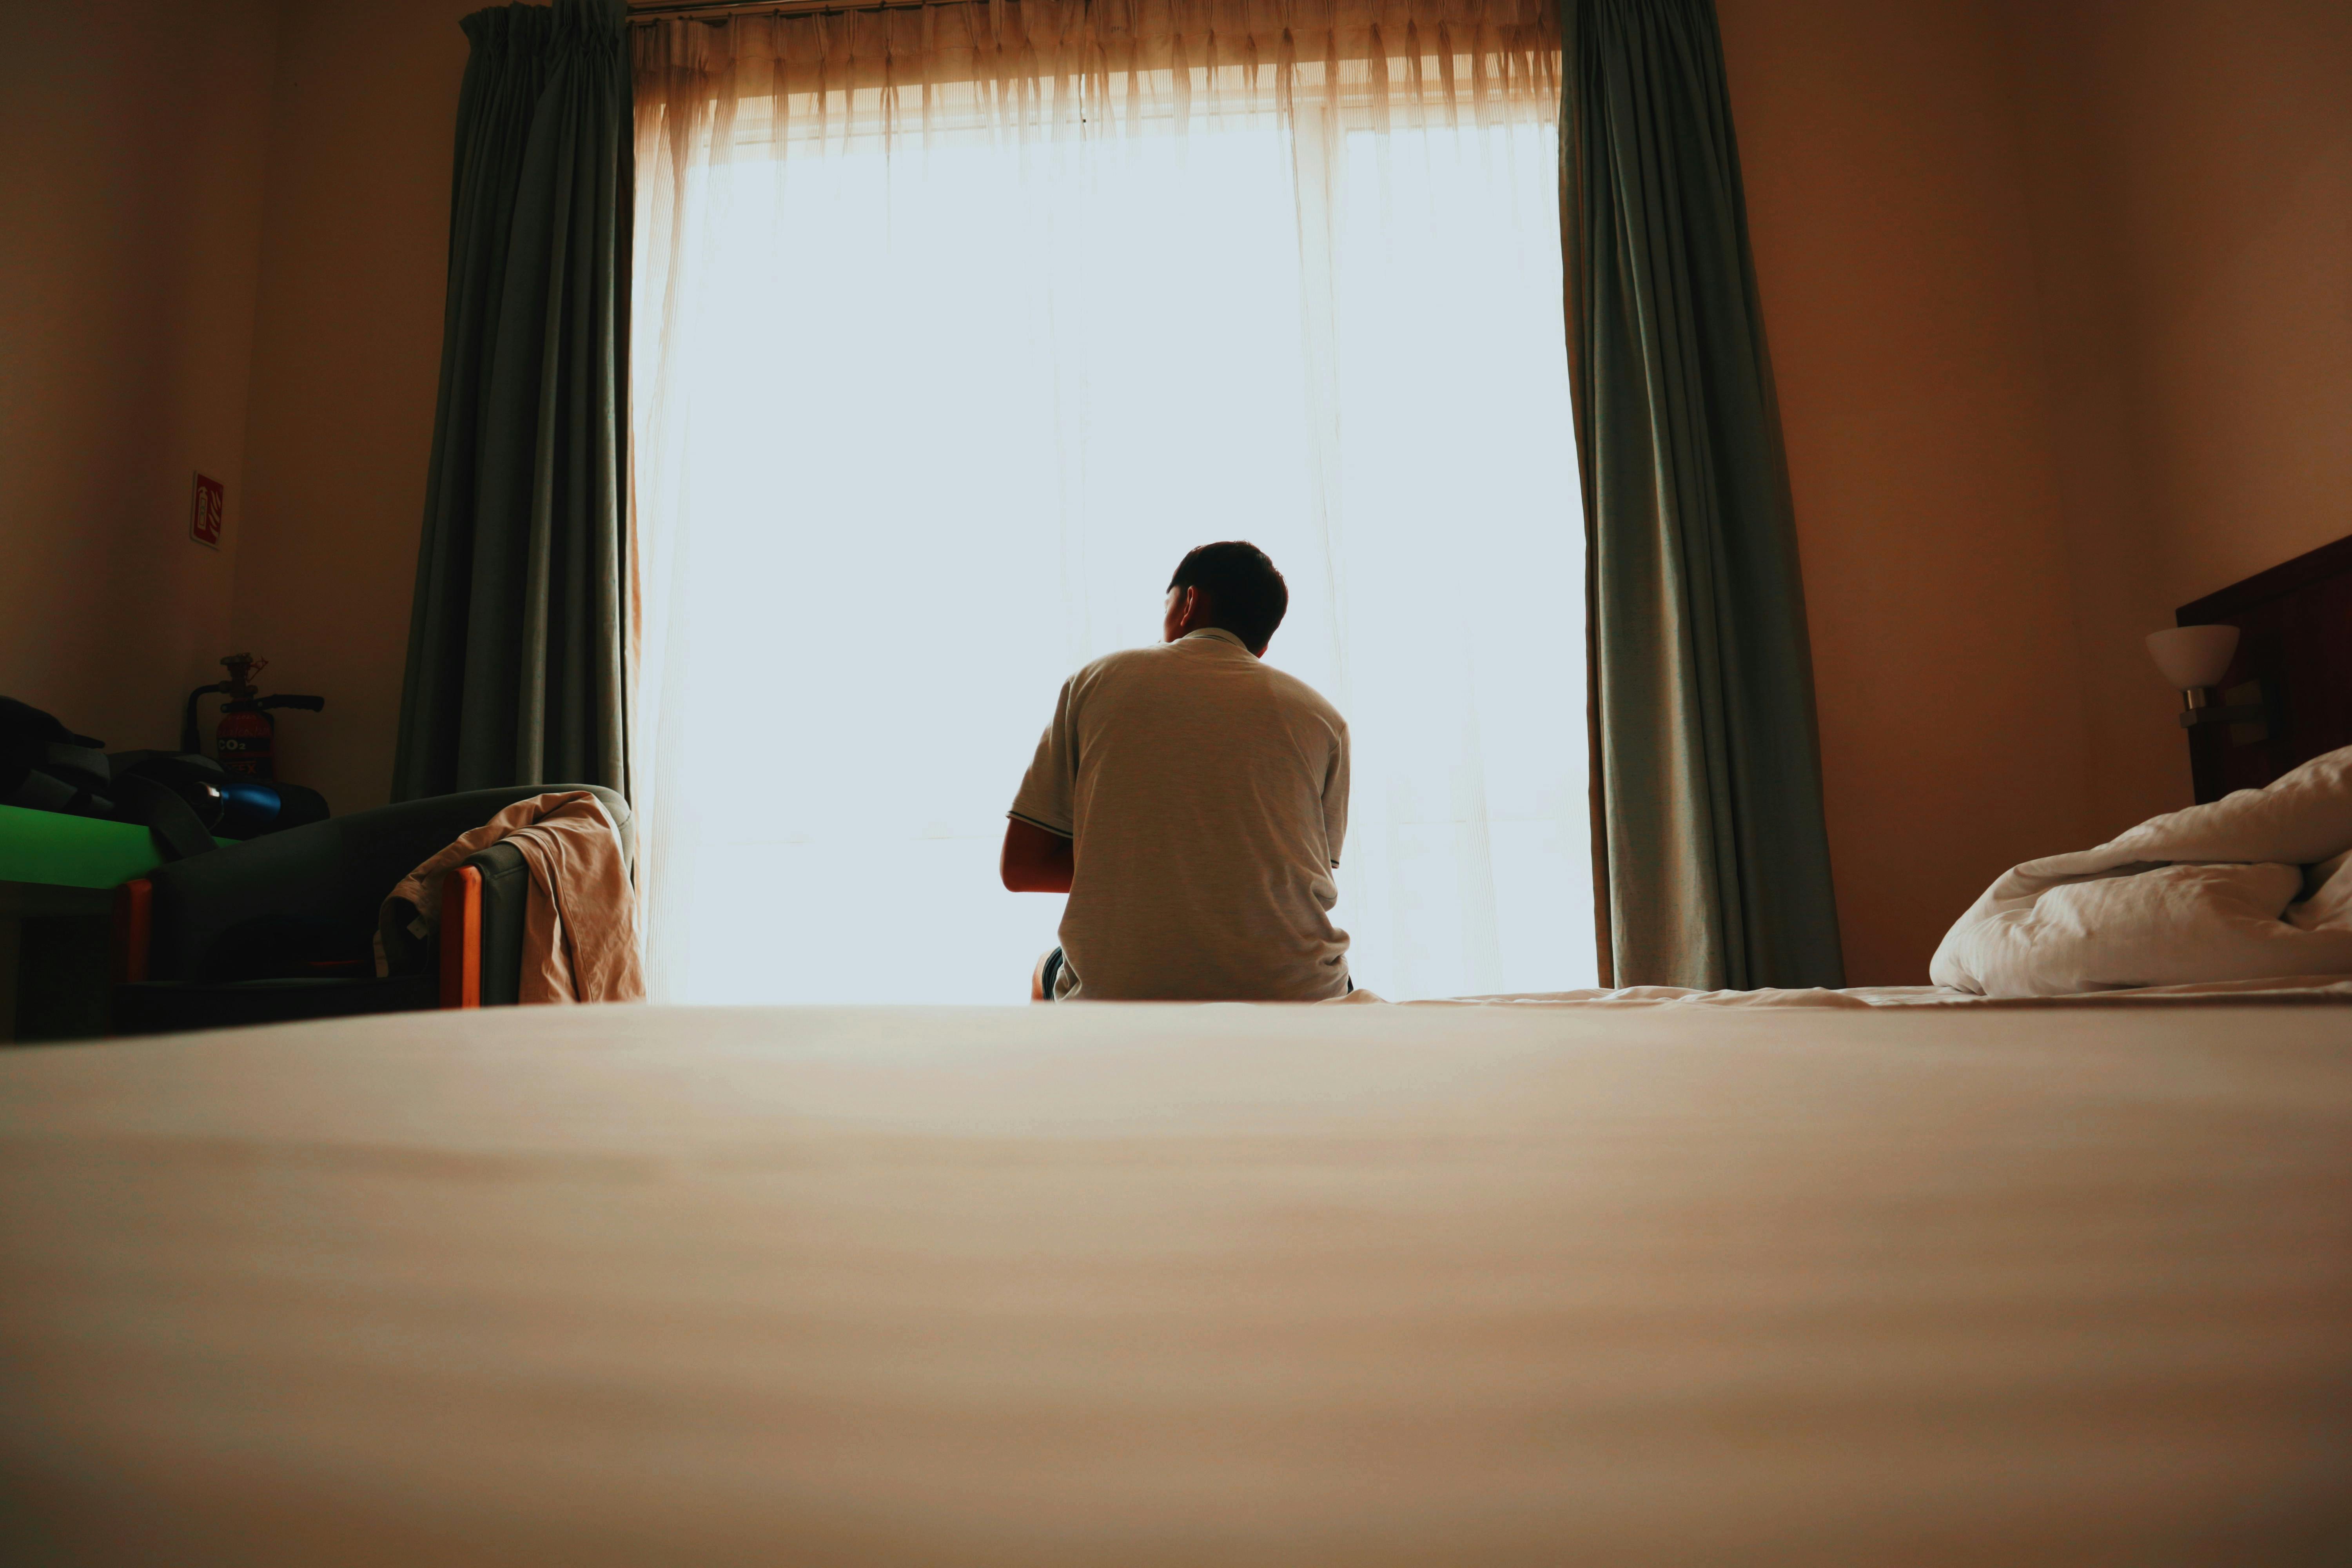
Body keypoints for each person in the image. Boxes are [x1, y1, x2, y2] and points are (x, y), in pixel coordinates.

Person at [1001, 541, 1352, 1001]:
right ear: (1264, 643)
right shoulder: (1323, 719)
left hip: (1121, 987)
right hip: (1299, 988)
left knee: (1041, 971)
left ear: (1189, 604)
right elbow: (1296, 872)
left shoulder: (1096, 682)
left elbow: (1021, 868)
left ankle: (1070, 1066)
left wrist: (1135, 863)